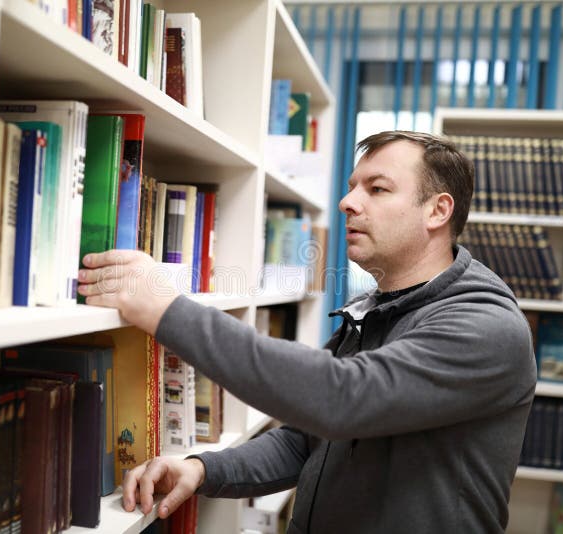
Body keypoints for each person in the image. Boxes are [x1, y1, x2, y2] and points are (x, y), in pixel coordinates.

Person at [77, 131, 537, 533]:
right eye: (353, 186)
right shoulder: (381, 309)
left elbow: (341, 400)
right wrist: (202, 469)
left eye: (377, 189)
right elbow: (306, 440)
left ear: (437, 211)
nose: (347, 202)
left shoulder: (484, 324)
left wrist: (167, 310)